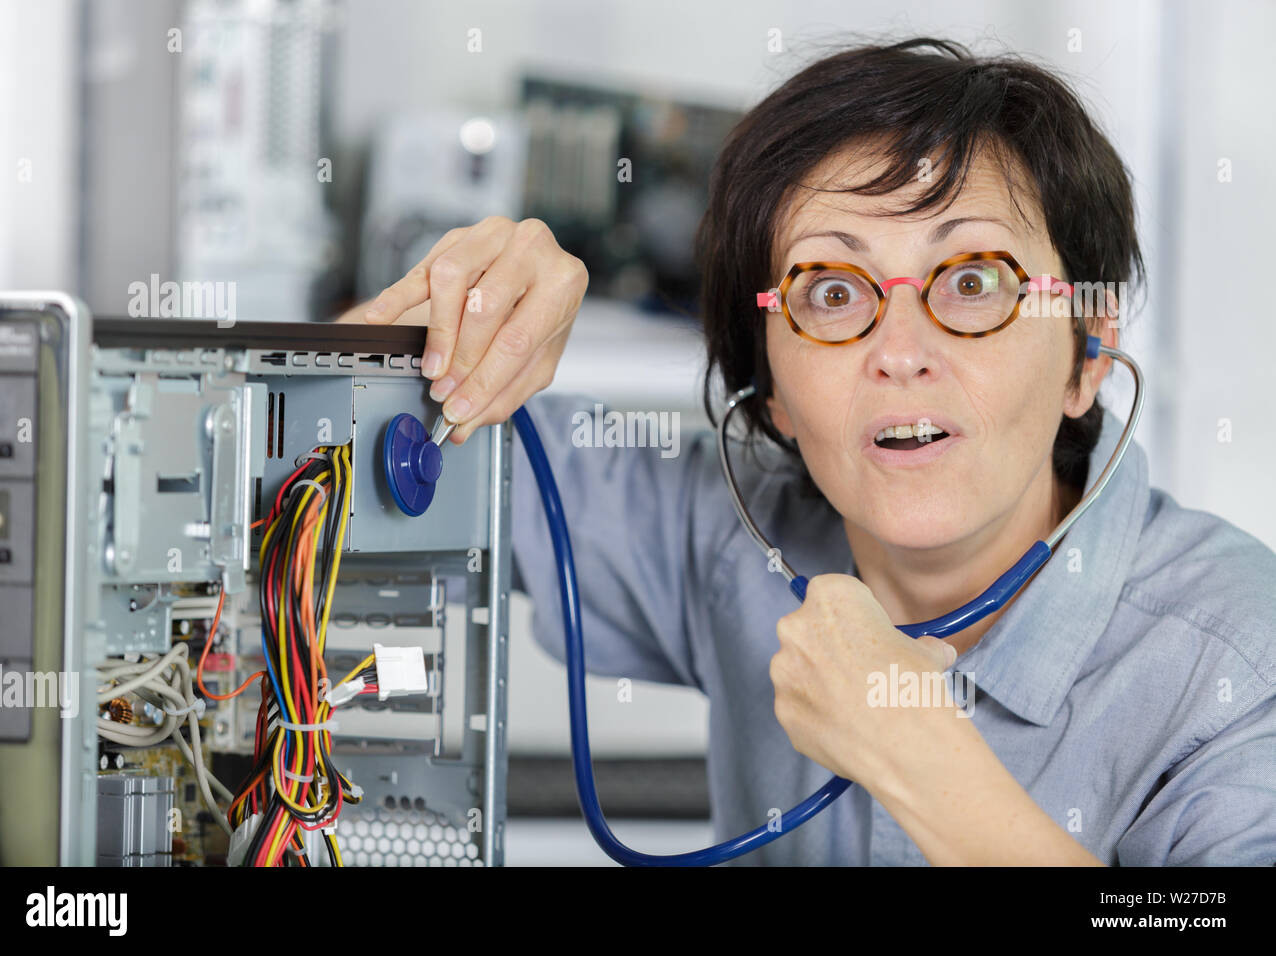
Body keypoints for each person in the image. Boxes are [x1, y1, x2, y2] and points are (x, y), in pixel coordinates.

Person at [344, 38, 1276, 865]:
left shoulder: (1240, 661)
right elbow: (337, 447)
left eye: (974, 281)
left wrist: (918, 757)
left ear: (1090, 354)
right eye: (831, 292)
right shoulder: (731, 529)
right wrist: (455, 321)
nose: (901, 353)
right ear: (775, 394)